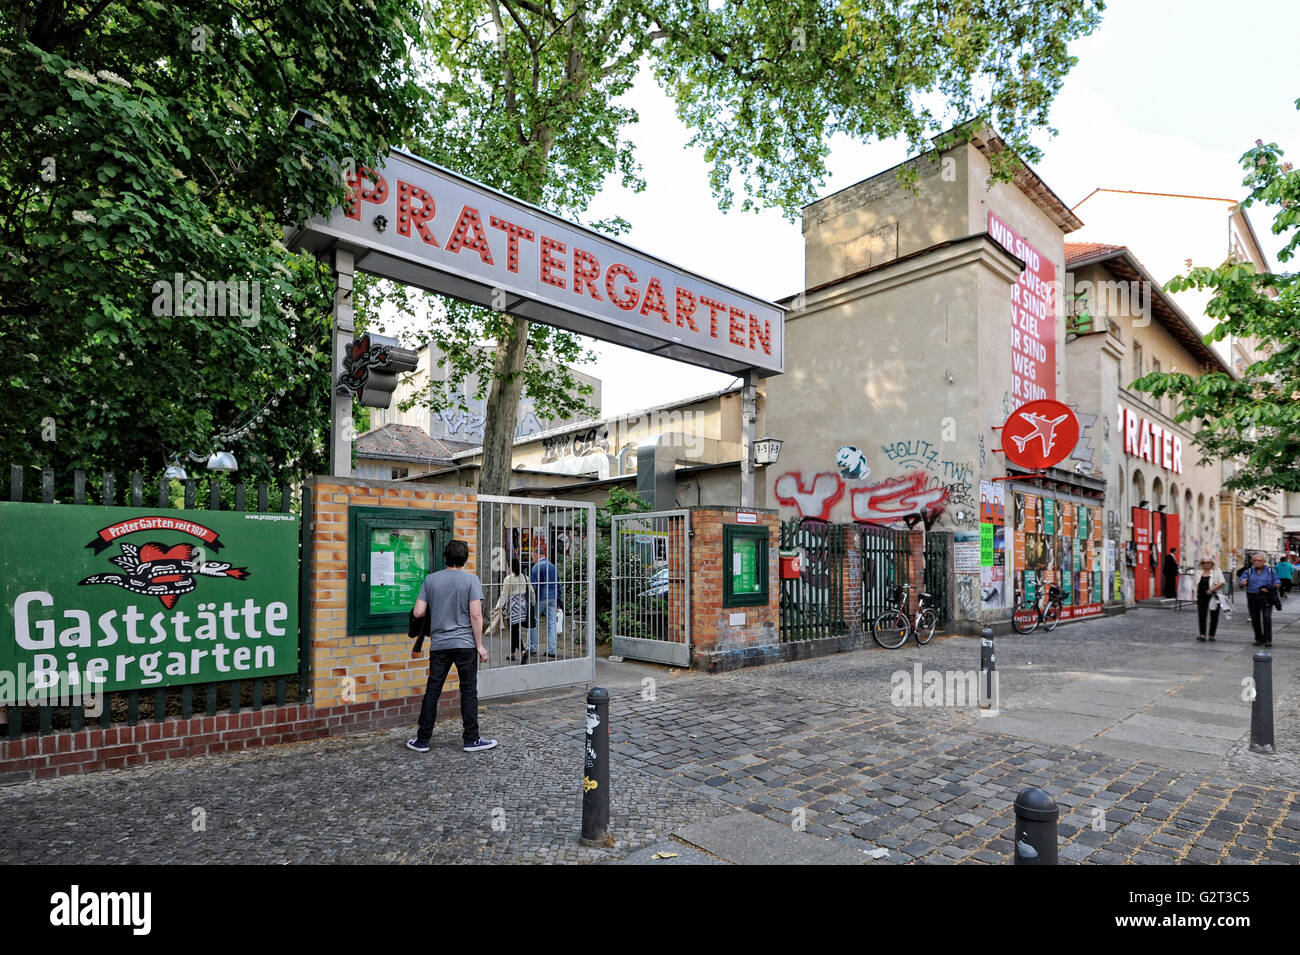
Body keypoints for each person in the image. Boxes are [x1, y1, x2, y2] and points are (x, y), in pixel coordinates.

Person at [407, 539, 497, 753]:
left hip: (439, 645)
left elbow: (418, 612)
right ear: (465, 559)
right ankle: (471, 739)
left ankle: (422, 740)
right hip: (465, 645)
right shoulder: (471, 580)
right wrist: (480, 645)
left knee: (432, 691)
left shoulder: (430, 580)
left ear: (445, 557)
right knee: (468, 691)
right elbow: (475, 614)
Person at [490, 557, 534, 663]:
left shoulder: (508, 579)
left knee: (514, 631)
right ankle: (512, 654)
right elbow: (532, 591)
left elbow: (504, 595)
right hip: (523, 606)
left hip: (513, 607)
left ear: (509, 567)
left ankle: (523, 651)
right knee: (515, 630)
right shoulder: (525, 577)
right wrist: (533, 602)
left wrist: (497, 607)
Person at [1238, 552, 1279, 649]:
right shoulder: (1248, 571)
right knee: (1255, 618)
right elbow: (1241, 581)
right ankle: (1259, 638)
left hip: (1266, 597)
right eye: (1255, 560)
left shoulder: (1270, 571)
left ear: (1264, 562)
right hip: (1252, 596)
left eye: (1259, 561)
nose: (1256, 562)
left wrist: (1270, 587)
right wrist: (1242, 583)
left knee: (1267, 617)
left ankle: (1268, 639)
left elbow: (1277, 582)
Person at [529, 550, 560, 658]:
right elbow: (558, 584)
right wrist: (558, 602)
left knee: (533, 621)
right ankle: (552, 650)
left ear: (538, 555)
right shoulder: (553, 566)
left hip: (540, 597)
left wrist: (530, 600)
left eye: (533, 556)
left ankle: (532, 647)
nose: (532, 559)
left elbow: (533, 586)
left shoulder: (536, 567)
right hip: (553, 597)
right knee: (551, 623)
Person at [1195, 556, 1225, 643]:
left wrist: (1212, 589)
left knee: (1214, 615)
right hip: (1201, 596)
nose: (1206, 564)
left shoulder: (1216, 571)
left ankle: (1212, 635)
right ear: (1202, 564)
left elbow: (1222, 582)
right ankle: (1202, 634)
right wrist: (1194, 596)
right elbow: (1195, 585)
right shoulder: (1198, 572)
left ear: (1212, 563)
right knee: (1201, 615)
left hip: (1214, 595)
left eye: (1208, 562)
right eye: (1204, 562)